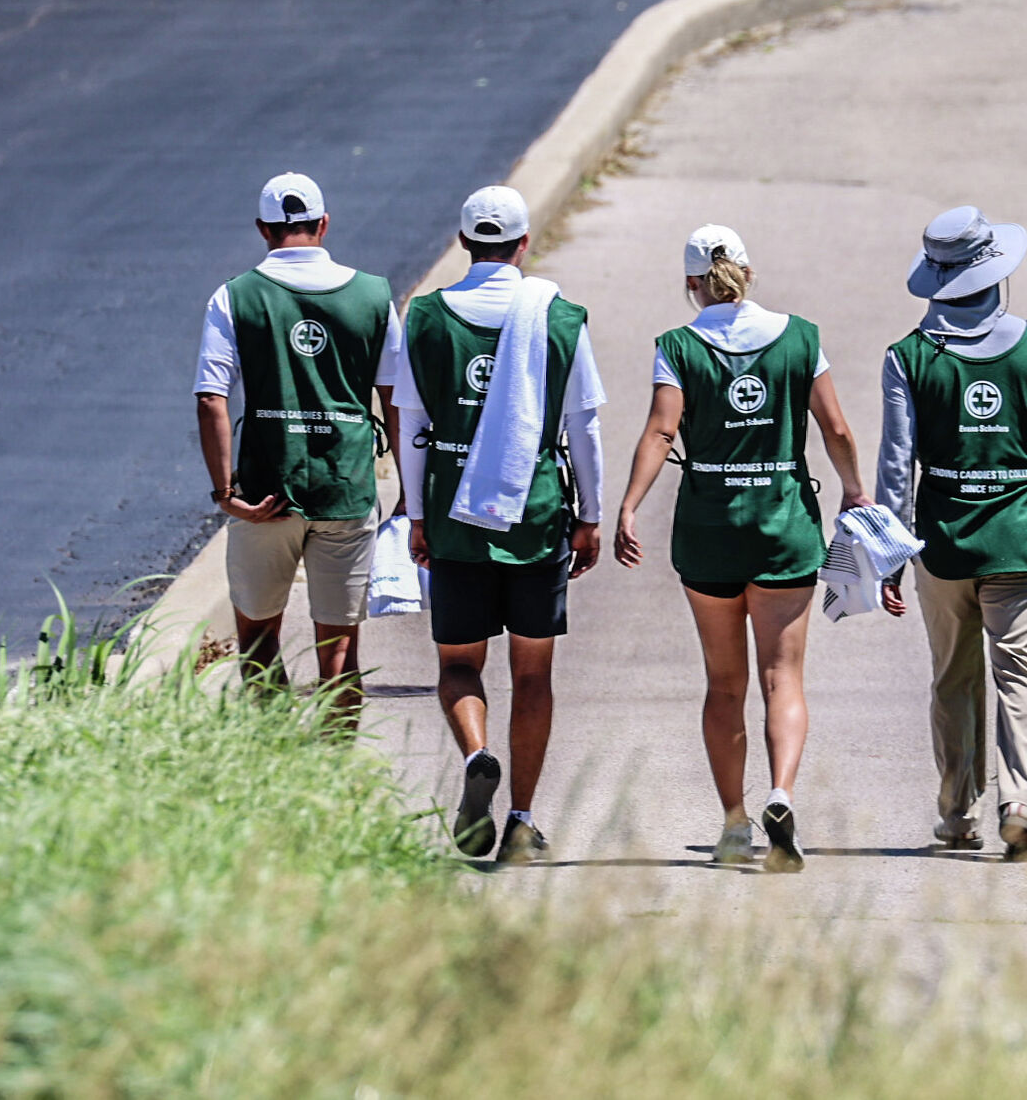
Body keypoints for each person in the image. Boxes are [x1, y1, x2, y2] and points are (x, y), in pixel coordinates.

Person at [615, 225, 870, 872]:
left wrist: (628, 506)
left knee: (724, 683)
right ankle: (781, 792)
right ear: (748, 274)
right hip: (784, 527)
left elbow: (661, 428)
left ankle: (734, 823)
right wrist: (854, 490)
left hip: (708, 532)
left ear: (691, 284)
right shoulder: (800, 338)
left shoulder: (677, 346)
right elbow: (835, 426)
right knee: (782, 676)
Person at [393, 185, 606, 864]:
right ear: (524, 244)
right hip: (534, 514)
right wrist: (591, 515)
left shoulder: (424, 317)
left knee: (458, 664)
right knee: (533, 674)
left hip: (456, 516)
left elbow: (413, 423)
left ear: (463, 243)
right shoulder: (560, 317)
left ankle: (477, 751)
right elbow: (585, 426)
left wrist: (415, 513)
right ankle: (519, 817)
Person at [875, 206, 1027, 861]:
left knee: (953, 678)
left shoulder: (907, 358)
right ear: (996, 273)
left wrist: (890, 554)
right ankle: (1021, 800)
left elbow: (895, 463)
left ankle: (957, 812)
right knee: (1023, 675)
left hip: (942, 546)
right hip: (1022, 541)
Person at [194, 172, 400, 731]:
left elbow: (212, 398)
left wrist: (225, 494)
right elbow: (397, 398)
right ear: (324, 224)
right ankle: (332, 775)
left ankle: (278, 765)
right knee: (339, 653)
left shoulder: (233, 295)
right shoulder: (374, 294)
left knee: (257, 641)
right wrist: (407, 495)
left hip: (265, 492)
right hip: (346, 491)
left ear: (263, 229)